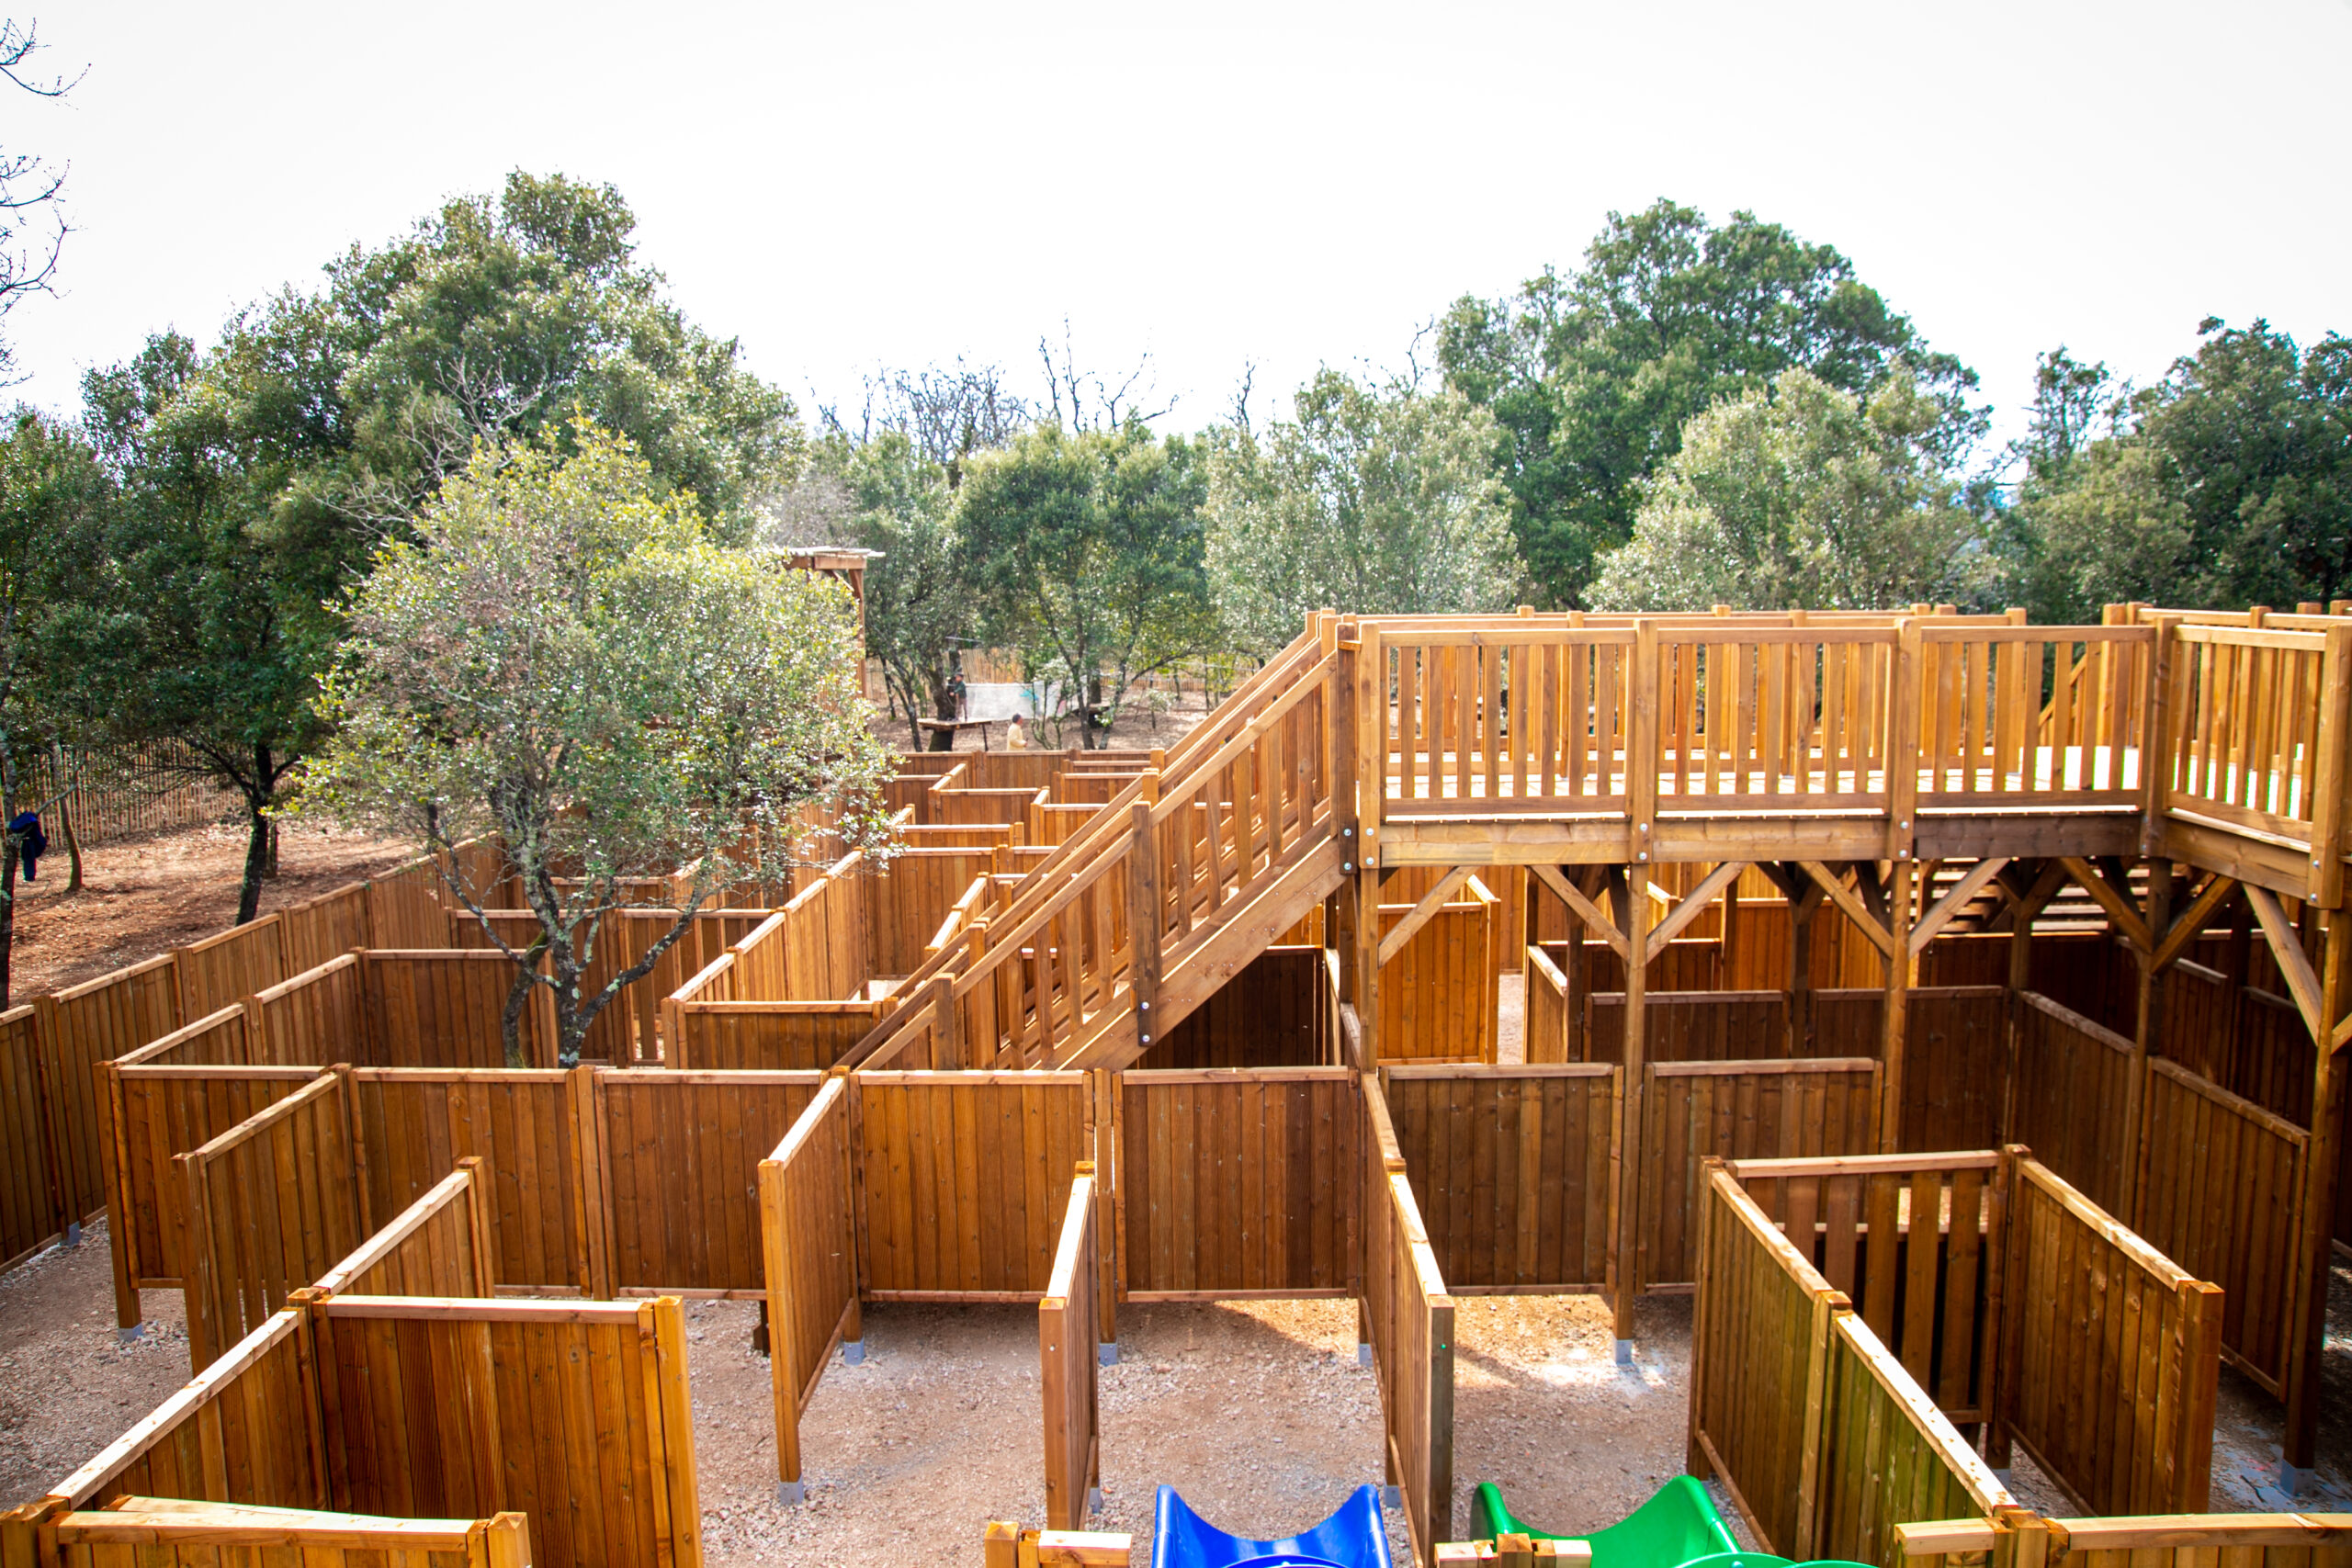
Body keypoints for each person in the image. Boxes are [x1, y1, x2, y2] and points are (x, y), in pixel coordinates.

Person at [8, 810, 44, 881]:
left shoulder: (28, 820)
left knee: (28, 859)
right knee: (27, 858)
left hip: (29, 841)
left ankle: (29, 877)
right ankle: (29, 876)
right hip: (28, 841)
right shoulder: (29, 819)